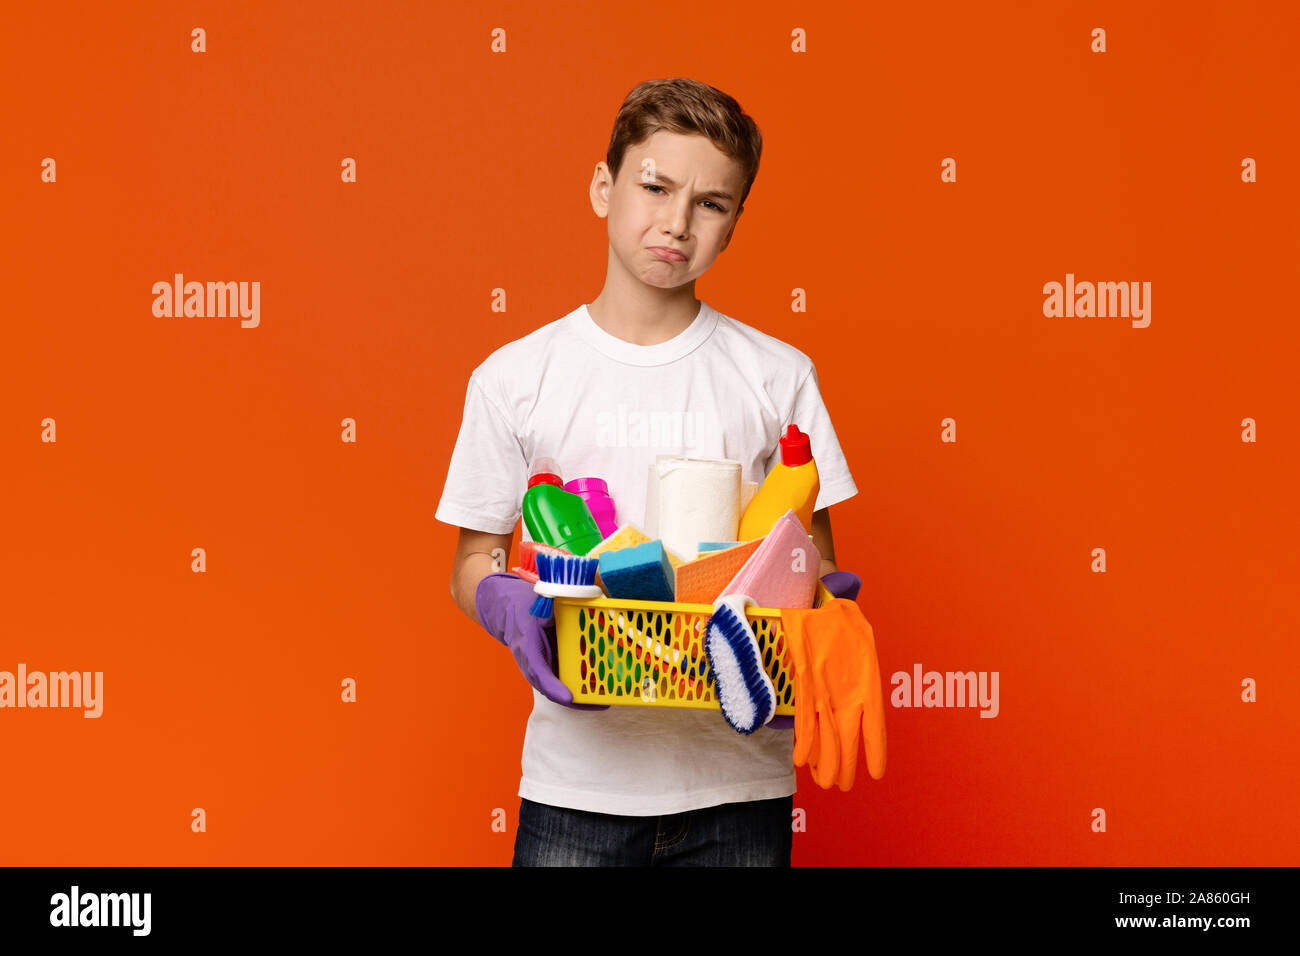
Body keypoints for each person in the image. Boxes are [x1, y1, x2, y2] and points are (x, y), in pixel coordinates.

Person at [437, 77, 860, 866]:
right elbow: (473, 558)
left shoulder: (778, 376)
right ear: (604, 187)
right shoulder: (516, 376)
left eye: (711, 204)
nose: (676, 222)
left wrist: (821, 608)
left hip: (736, 786)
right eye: (655, 186)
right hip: (577, 788)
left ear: (735, 225)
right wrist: (499, 597)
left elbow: (815, 558)